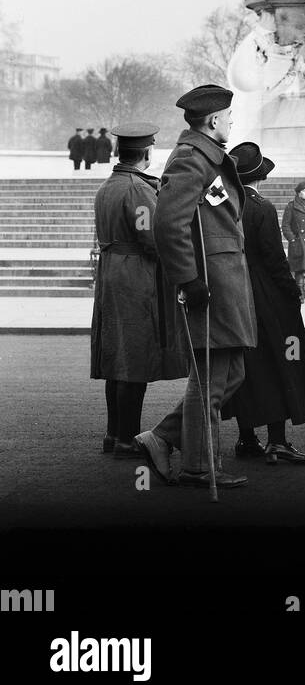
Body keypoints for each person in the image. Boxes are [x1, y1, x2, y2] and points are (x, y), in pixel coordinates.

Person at [135, 85, 257, 490]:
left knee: (230, 373)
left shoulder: (206, 157)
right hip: (210, 282)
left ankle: (164, 437)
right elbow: (169, 224)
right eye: (228, 116)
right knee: (211, 380)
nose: (231, 121)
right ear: (214, 120)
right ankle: (198, 466)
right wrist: (188, 279)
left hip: (223, 281)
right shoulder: (191, 159)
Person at [89, 123, 188, 457]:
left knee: (117, 355)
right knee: (133, 356)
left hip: (111, 274)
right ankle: (126, 439)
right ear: (148, 151)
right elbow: (151, 238)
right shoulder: (138, 189)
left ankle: (113, 433)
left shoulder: (108, 186)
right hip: (135, 277)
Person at [223, 143, 305, 463]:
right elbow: (274, 260)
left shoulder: (221, 201)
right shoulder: (261, 207)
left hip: (232, 289)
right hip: (263, 292)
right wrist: (292, 291)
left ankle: (246, 437)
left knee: (244, 365)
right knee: (279, 362)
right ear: (260, 177)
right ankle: (277, 440)